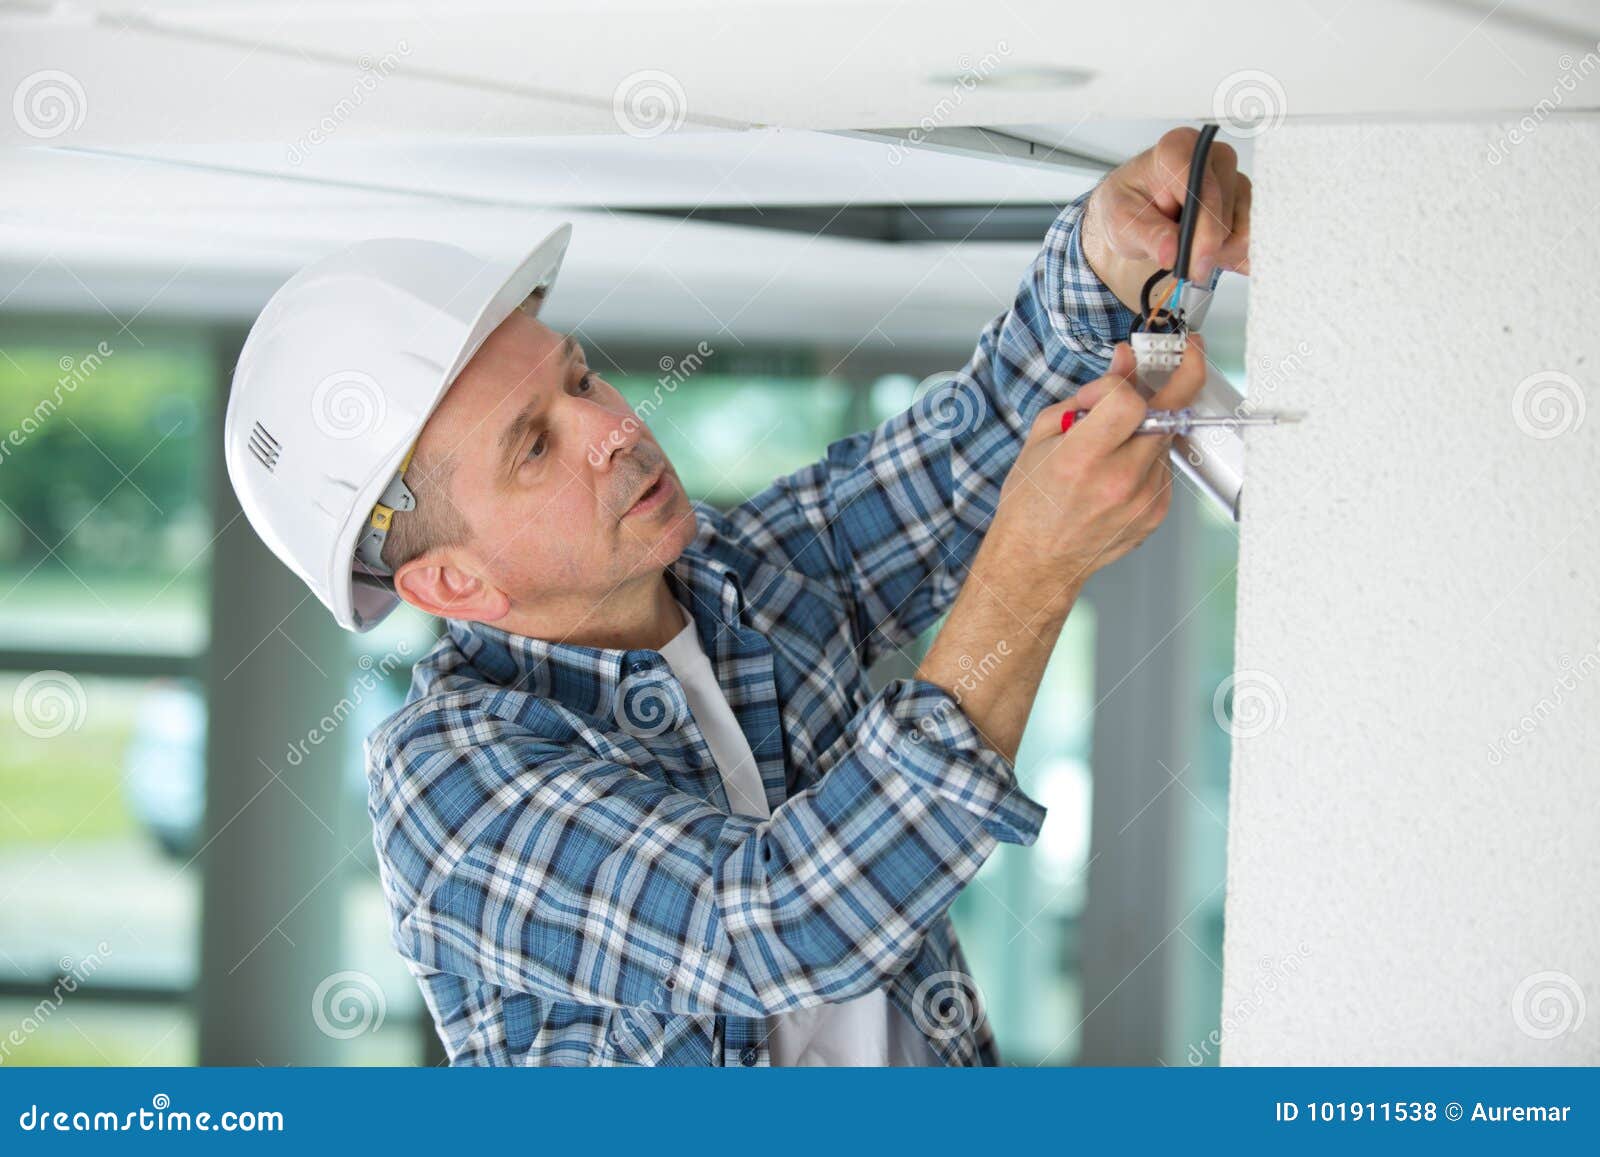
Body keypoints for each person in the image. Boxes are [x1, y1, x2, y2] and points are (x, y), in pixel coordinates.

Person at [225, 127, 1250, 1065]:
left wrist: (1104, 261)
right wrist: (1029, 579)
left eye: (577, 381)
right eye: (535, 446)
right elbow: (787, 924)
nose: (613, 428)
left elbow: (963, 457)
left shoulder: (741, 572)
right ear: (452, 581)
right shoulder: (452, 781)